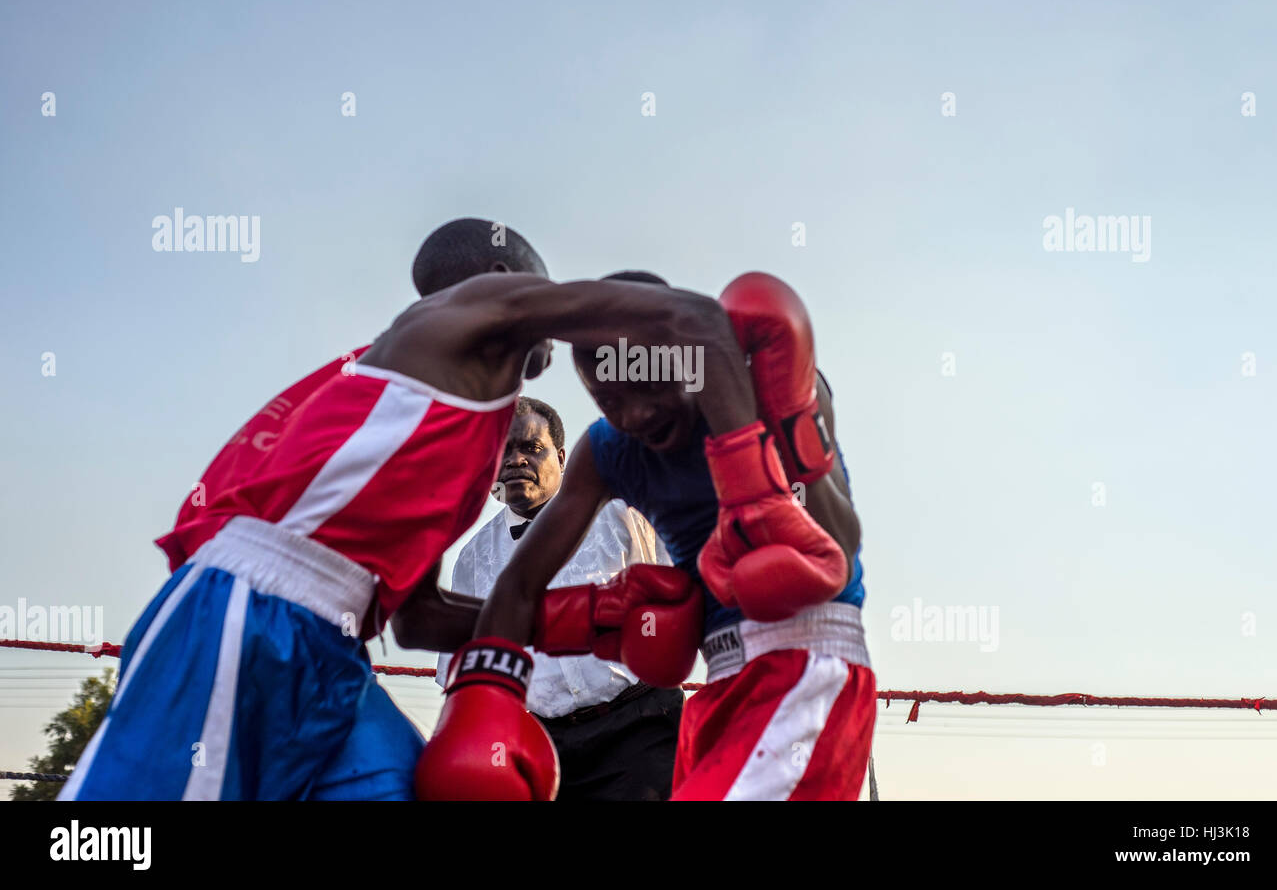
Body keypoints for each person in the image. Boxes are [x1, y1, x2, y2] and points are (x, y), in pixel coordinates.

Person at [60, 222, 758, 801]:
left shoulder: (448, 423)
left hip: (337, 646)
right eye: (539, 284)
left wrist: (588, 618)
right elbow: (683, 315)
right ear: (498, 273)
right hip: (250, 606)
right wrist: (750, 476)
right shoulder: (460, 315)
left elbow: (417, 617)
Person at [442, 270, 876, 800]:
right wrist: (485, 700)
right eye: (608, 399)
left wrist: (758, 485)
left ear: (686, 354)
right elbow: (516, 589)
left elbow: (841, 545)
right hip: (721, 683)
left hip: (808, 670)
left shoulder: (764, 387)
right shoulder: (608, 450)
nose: (635, 414)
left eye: (646, 387)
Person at [432, 396, 682, 800]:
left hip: (641, 724)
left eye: (531, 448)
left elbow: (684, 586)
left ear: (561, 457)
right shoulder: (473, 558)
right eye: (504, 451)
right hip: (544, 745)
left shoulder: (623, 511)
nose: (515, 460)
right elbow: (459, 671)